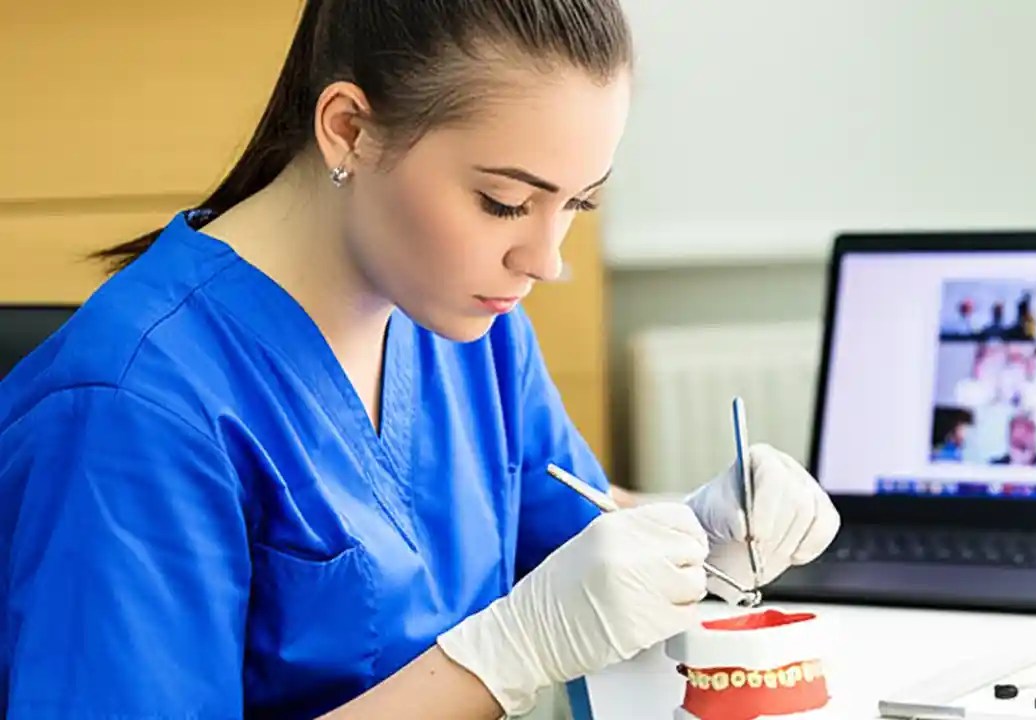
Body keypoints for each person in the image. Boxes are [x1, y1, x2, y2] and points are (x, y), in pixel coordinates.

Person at [0, 2, 840, 718]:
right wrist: (502, 656)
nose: (545, 259)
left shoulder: (463, 312)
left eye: (576, 202)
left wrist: (703, 530)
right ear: (349, 131)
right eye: (505, 202)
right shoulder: (129, 408)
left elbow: (571, 532)